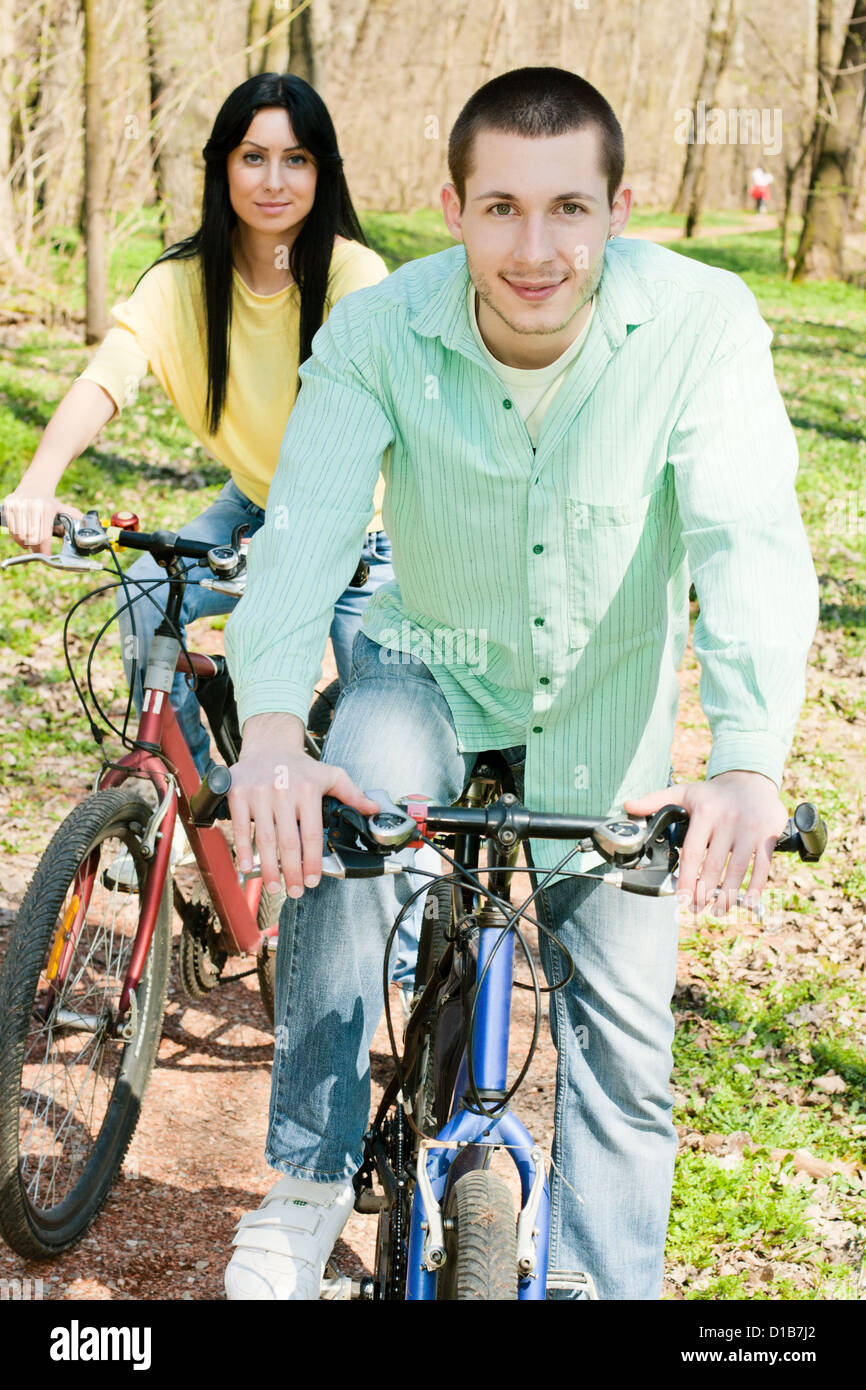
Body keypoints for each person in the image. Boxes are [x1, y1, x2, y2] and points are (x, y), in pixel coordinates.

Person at [221, 67, 818, 1300]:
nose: (533, 249)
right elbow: (311, 524)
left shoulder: (700, 324)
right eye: (499, 208)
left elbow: (745, 535)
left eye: (565, 210)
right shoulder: (382, 329)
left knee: (623, 1046)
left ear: (617, 207)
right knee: (345, 819)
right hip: (427, 666)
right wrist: (275, 725)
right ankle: (307, 1175)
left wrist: (750, 760)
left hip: (604, 712)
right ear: (450, 207)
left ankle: (608, 1285)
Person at [1, 72, 391, 777]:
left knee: (377, 730)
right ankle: (199, 793)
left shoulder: (352, 274)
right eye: (252, 156)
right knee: (147, 596)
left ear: (322, 172)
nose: (274, 179)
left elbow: (356, 423)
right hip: (256, 505)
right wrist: (39, 479)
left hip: (366, 527)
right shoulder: (184, 280)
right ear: (222, 166)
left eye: (296, 159)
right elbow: (109, 373)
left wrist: (292, 550)